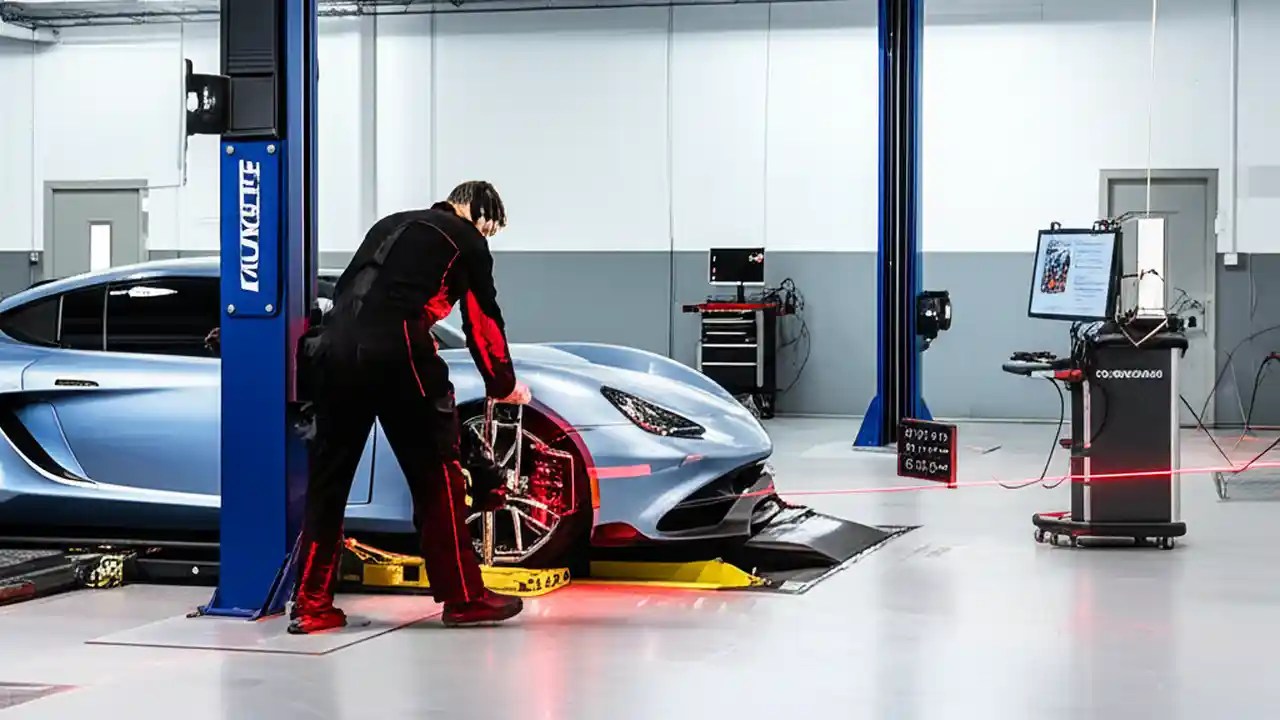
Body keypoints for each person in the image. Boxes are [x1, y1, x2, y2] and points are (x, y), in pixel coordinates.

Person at [289, 181, 531, 634]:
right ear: (480, 213)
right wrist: (504, 384)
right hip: (399, 353)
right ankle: (464, 598)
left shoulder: (389, 224)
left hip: (332, 354)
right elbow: (482, 319)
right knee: (437, 475)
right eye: (490, 228)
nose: (487, 236)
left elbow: (349, 291)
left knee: (329, 483)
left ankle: (311, 605)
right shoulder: (465, 239)